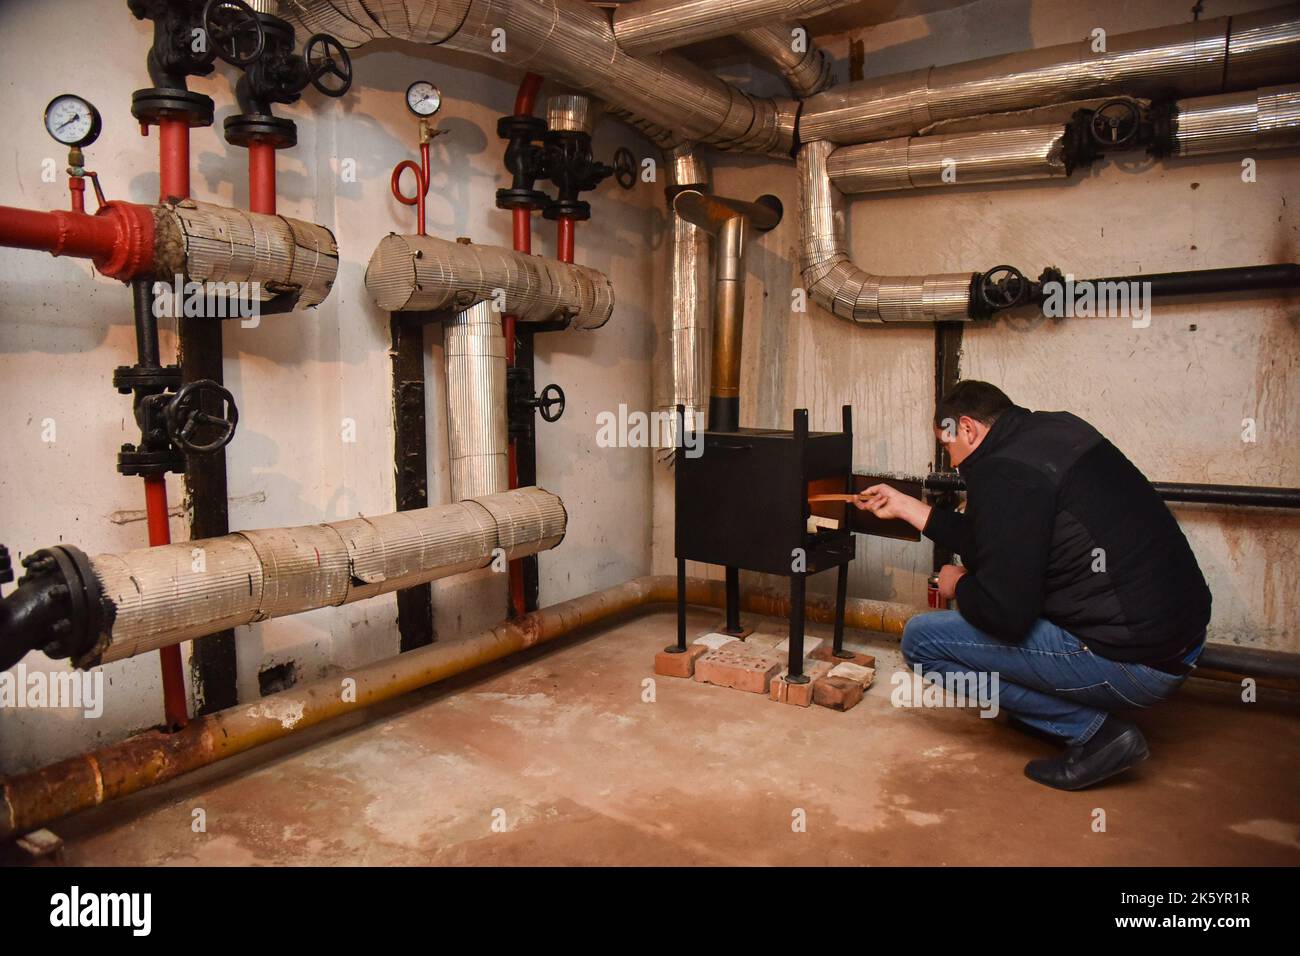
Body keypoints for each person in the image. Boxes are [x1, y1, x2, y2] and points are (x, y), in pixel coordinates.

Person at [858, 381, 1211, 790]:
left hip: (1137, 667)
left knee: (922, 642)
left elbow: (1006, 615)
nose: (952, 464)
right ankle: (1054, 711)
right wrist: (906, 506)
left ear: (967, 429)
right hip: (1181, 643)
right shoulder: (1055, 431)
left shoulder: (1002, 474)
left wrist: (960, 586)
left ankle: (1097, 735)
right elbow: (1000, 538)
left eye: (948, 446)